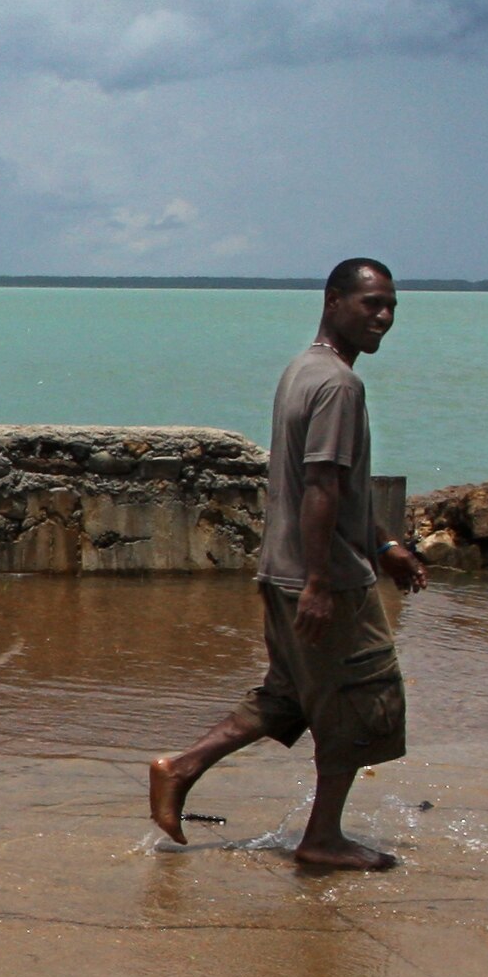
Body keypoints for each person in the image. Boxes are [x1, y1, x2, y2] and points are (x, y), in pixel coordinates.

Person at [148, 257, 428, 871]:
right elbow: (322, 487)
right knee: (361, 701)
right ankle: (323, 838)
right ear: (332, 301)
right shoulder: (338, 385)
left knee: (291, 695)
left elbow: (333, 486)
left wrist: (384, 544)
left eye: (391, 307)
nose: (382, 318)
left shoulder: (303, 370)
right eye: (370, 304)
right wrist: (322, 583)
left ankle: (181, 768)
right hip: (321, 579)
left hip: (283, 571)